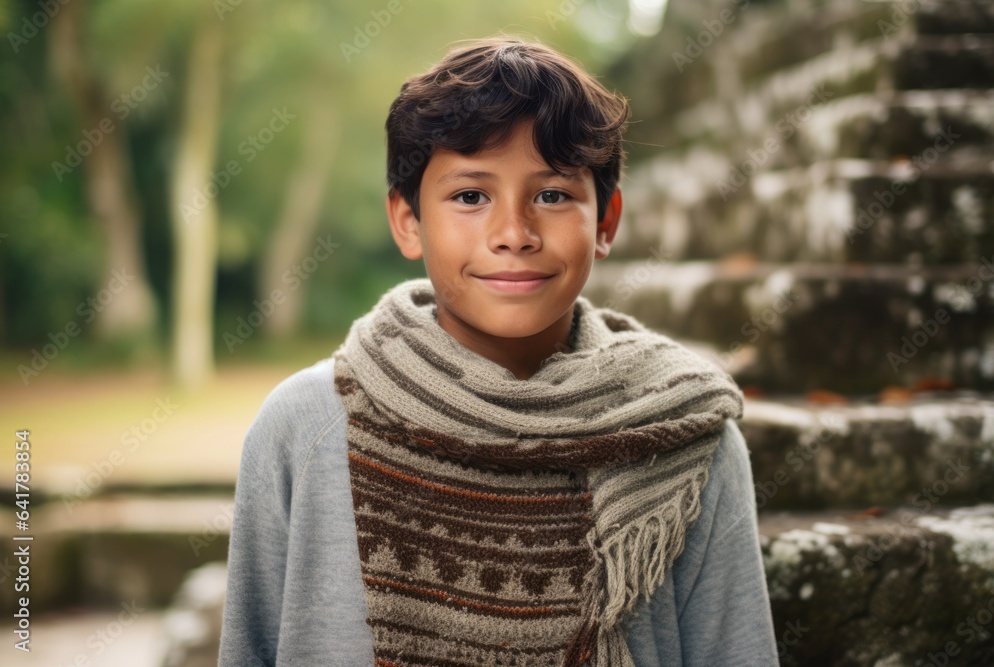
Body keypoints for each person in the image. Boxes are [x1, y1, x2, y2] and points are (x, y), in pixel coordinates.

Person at [218, 36, 779, 667]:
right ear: (408, 220)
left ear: (606, 222)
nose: (514, 234)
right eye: (469, 197)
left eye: (552, 195)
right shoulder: (305, 427)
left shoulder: (682, 434)